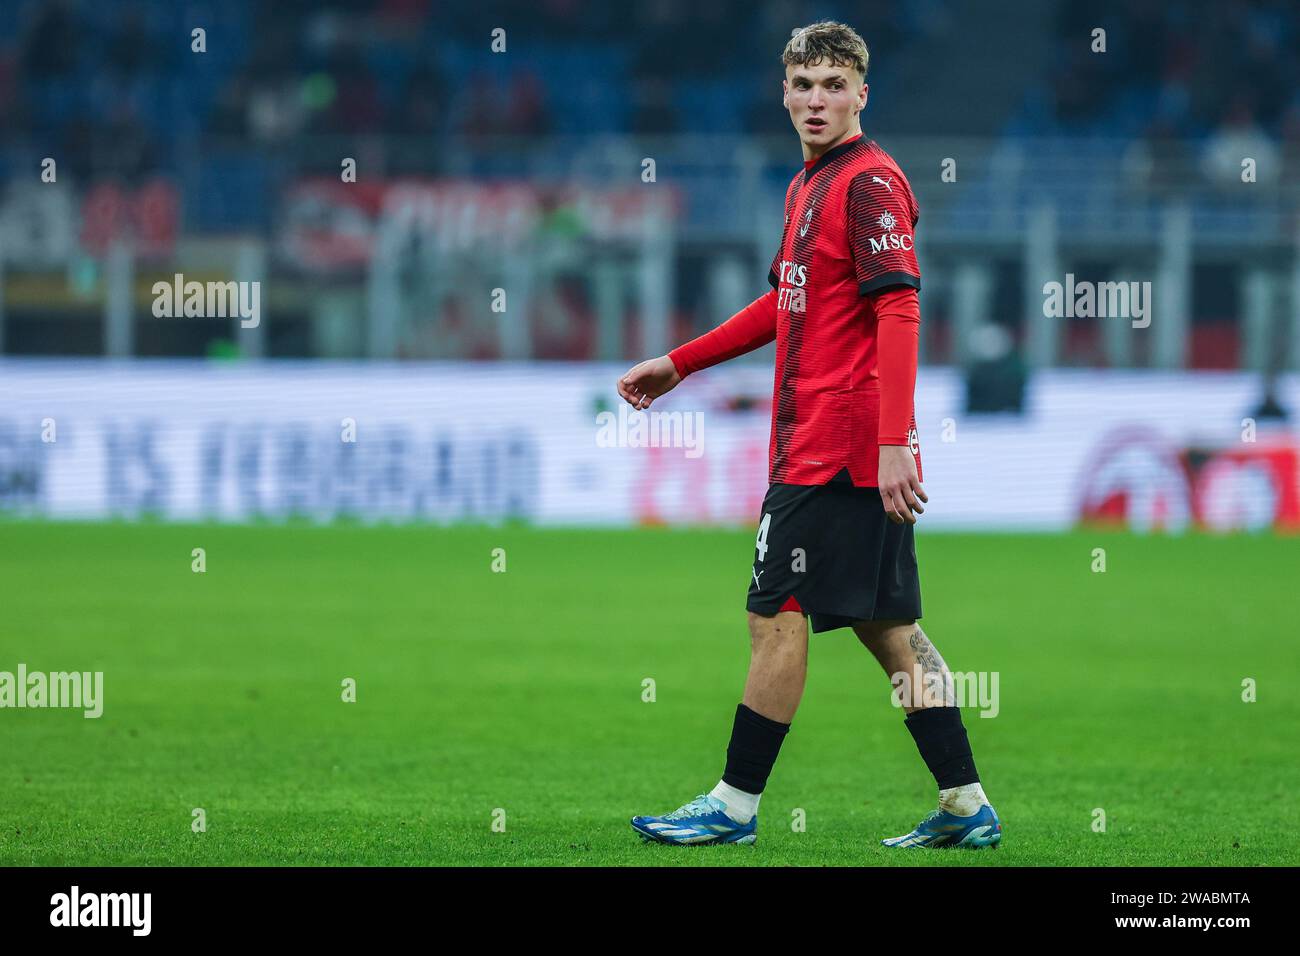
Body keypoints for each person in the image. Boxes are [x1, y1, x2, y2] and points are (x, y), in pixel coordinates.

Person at [617, 21, 1000, 850]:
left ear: (864, 92)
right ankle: (967, 804)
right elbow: (783, 304)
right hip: (844, 447)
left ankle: (733, 804)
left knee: (776, 614)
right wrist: (681, 363)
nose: (816, 101)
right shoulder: (809, 186)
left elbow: (899, 305)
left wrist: (895, 437)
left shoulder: (867, 185)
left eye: (833, 85)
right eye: (802, 85)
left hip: (838, 449)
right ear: (784, 92)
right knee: (889, 625)